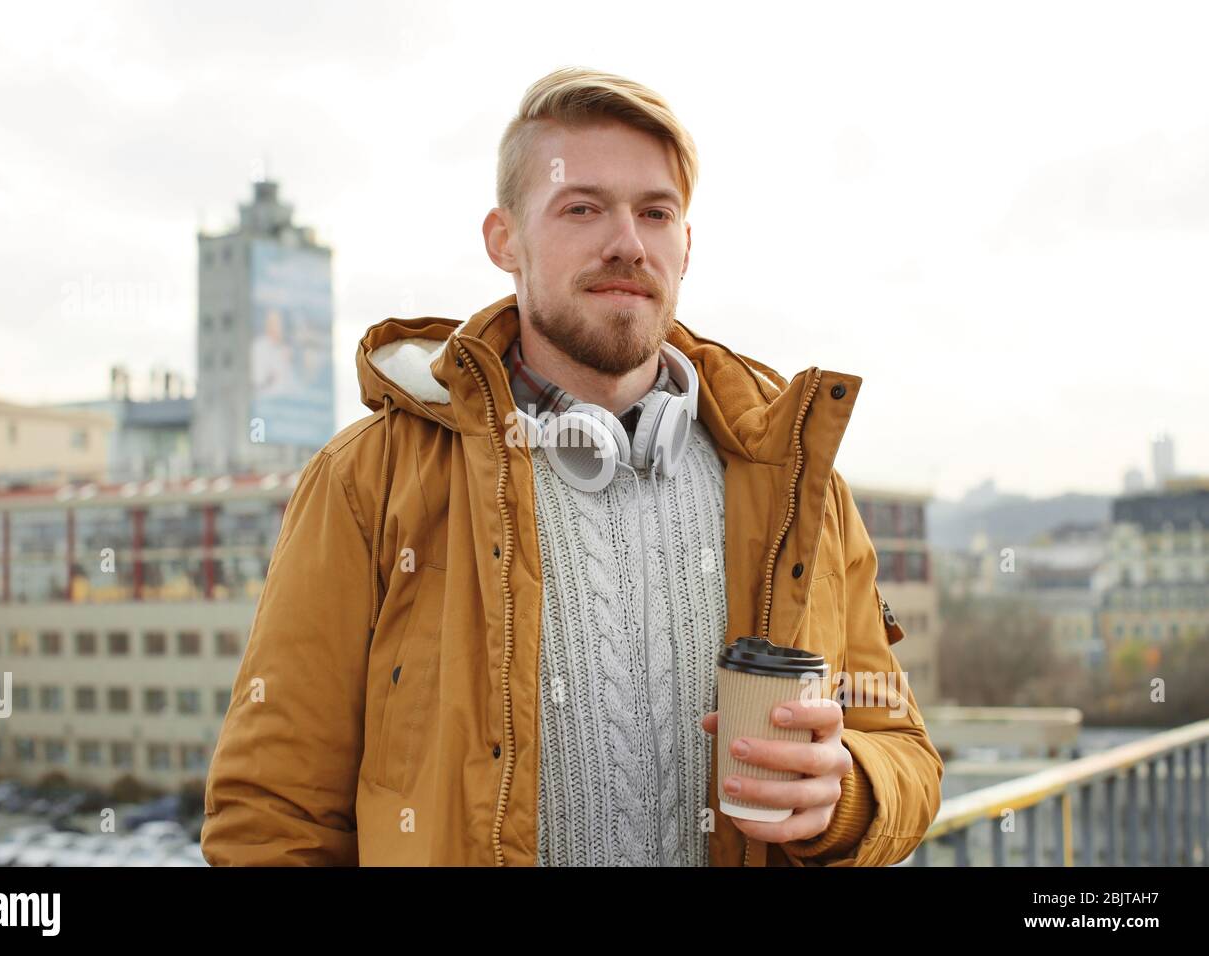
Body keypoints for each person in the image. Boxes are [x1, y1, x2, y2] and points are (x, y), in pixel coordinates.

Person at [201, 66, 943, 867]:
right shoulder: (366, 481)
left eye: (655, 213)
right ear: (504, 240)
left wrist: (848, 792)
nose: (626, 242)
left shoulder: (798, 485)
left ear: (685, 245)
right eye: (582, 207)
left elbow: (900, 744)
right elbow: (271, 820)